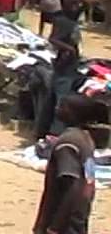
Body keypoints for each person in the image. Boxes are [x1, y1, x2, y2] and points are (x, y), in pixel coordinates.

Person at [33, 94, 102, 234]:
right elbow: (88, 182)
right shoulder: (86, 139)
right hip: (78, 216)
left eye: (62, 106)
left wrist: (55, 227)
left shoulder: (68, 143)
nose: (57, 108)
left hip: (62, 220)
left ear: (73, 114)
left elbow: (73, 187)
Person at [37, 0, 84, 139]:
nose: (77, 7)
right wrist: (68, 49)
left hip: (67, 66)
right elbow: (54, 39)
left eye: (79, 4)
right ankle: (55, 133)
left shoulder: (71, 20)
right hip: (65, 68)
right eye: (74, 4)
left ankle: (42, 131)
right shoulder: (63, 21)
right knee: (61, 102)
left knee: (51, 99)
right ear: (65, 5)